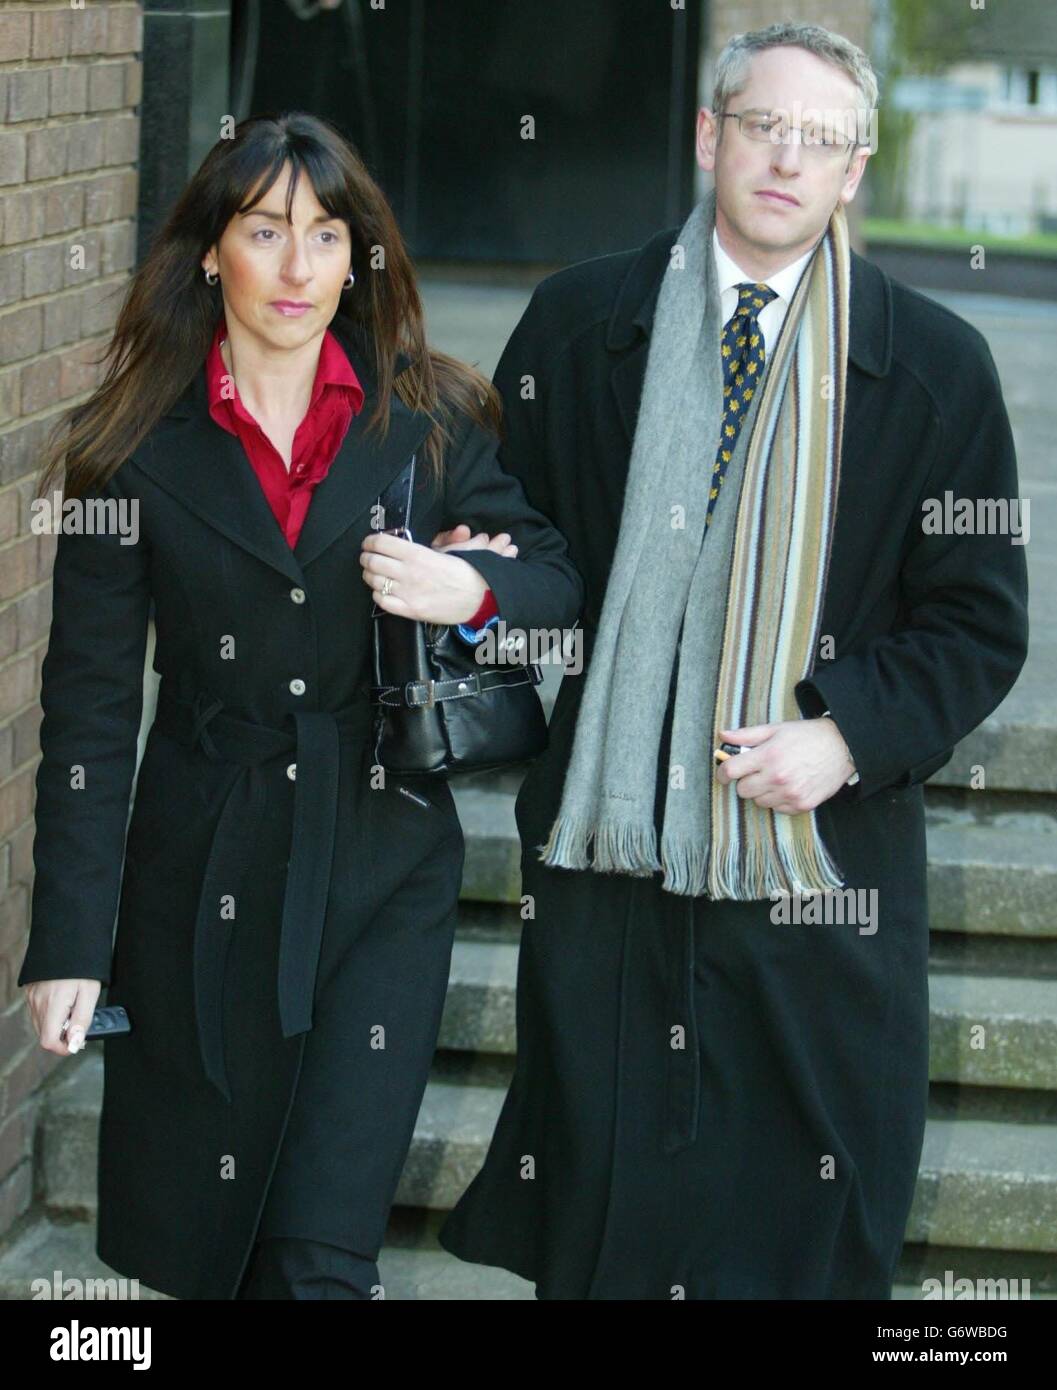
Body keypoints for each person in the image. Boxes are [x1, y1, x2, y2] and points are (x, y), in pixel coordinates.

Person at [438, 23, 1030, 1298]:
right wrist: (479, 584)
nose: (786, 158)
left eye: (820, 139)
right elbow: (523, 547)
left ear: (854, 170)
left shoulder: (934, 366)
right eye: (763, 124)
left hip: (818, 881)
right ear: (710, 135)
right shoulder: (578, 320)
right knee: (603, 1223)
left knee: (798, 1241)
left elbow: (979, 624)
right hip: (611, 870)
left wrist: (845, 733)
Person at [17, 111, 583, 1300]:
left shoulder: (427, 418)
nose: (296, 266)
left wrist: (468, 585)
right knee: (206, 1243)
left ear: (355, 257)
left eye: (326, 236)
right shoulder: (126, 450)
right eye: (265, 232)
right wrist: (69, 943)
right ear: (211, 251)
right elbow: (87, 713)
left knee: (323, 1250)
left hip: (380, 865)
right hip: (200, 874)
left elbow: (557, 595)